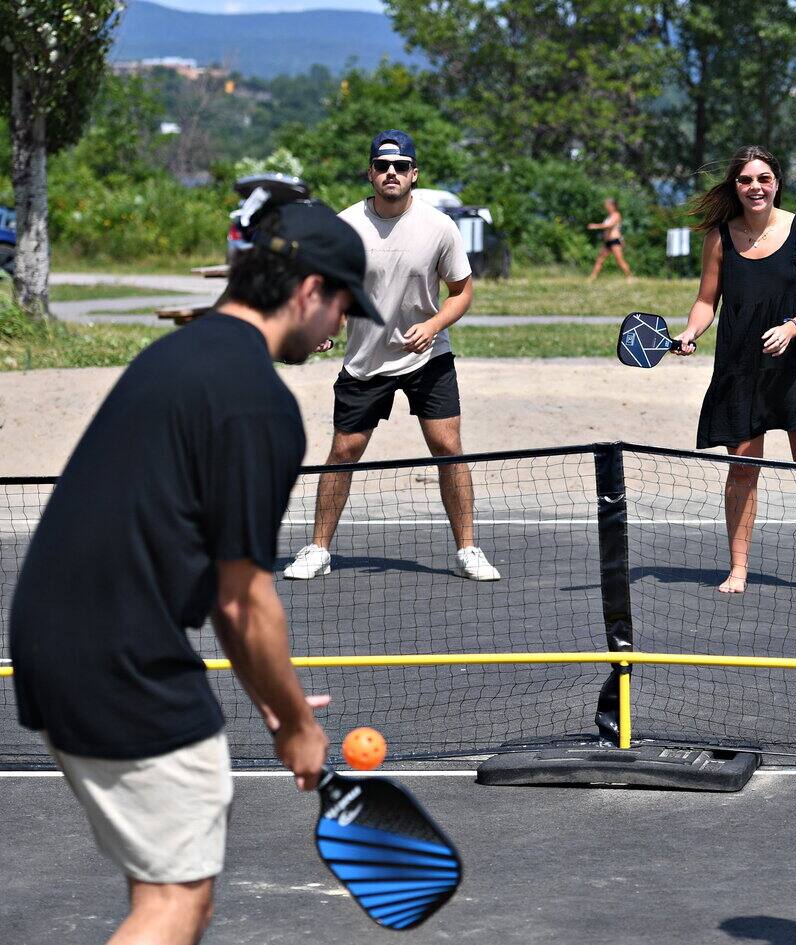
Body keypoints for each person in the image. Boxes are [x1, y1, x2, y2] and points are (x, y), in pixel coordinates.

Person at [7, 199, 383, 945]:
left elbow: (211, 577)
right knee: (175, 902)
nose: (343, 324)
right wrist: (301, 726)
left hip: (59, 646)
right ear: (308, 289)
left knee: (169, 887)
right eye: (343, 301)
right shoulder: (256, 403)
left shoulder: (179, 356)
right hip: (122, 662)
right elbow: (245, 600)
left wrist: (275, 704)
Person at [284, 130, 501, 583]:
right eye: (383, 166)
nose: (391, 173)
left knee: (447, 447)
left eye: (401, 166)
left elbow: (462, 292)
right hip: (366, 358)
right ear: (371, 172)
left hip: (428, 355)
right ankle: (318, 548)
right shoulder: (345, 226)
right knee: (344, 451)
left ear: (413, 174)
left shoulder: (440, 226)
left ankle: (468, 548)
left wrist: (434, 325)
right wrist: (324, 327)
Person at [675, 145, 796, 596]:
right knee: (743, 470)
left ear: (777, 183)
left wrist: (792, 327)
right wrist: (691, 331)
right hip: (740, 366)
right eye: (746, 180)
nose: (755, 188)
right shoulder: (720, 238)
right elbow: (707, 301)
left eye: (763, 179)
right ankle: (738, 569)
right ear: (735, 186)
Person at [586, 196, 633, 281]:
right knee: (600, 259)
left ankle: (629, 277)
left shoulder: (616, 215)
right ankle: (592, 277)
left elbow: (610, 225)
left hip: (615, 241)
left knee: (619, 260)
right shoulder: (608, 216)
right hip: (607, 242)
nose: (605, 206)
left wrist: (595, 226)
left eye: (607, 205)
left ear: (612, 205)